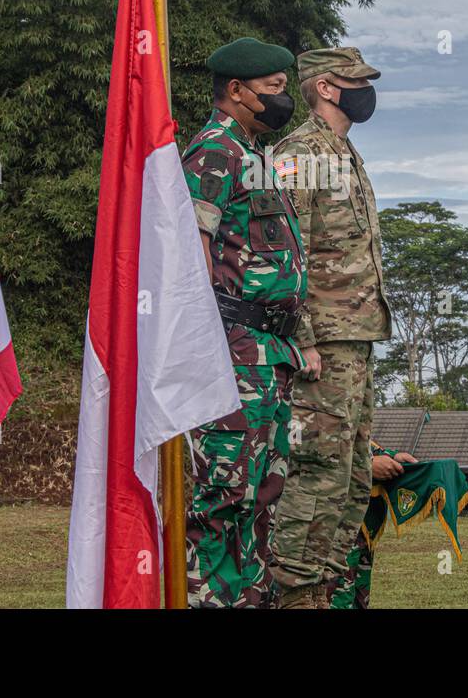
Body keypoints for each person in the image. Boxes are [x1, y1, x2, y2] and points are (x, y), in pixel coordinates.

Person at [180, 37, 308, 608]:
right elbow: (190, 254)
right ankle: (211, 600)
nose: (284, 100)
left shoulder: (254, 155)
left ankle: (250, 600)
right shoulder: (214, 153)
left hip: (268, 352)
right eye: (274, 90)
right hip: (229, 355)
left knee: (262, 495)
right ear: (237, 91)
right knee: (224, 495)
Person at [269, 45, 393, 608]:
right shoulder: (299, 153)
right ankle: (293, 592)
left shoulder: (344, 151)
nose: (366, 90)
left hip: (357, 338)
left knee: (350, 477)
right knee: (317, 472)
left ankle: (323, 589)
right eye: (355, 80)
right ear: (324, 86)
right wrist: (302, 339)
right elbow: (284, 253)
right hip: (323, 343)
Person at [329, 442, 417, 609]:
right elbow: (304, 445)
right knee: (332, 599)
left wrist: (390, 456)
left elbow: (356, 438)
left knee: (356, 599)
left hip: (356, 522)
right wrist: (366, 464)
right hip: (326, 522)